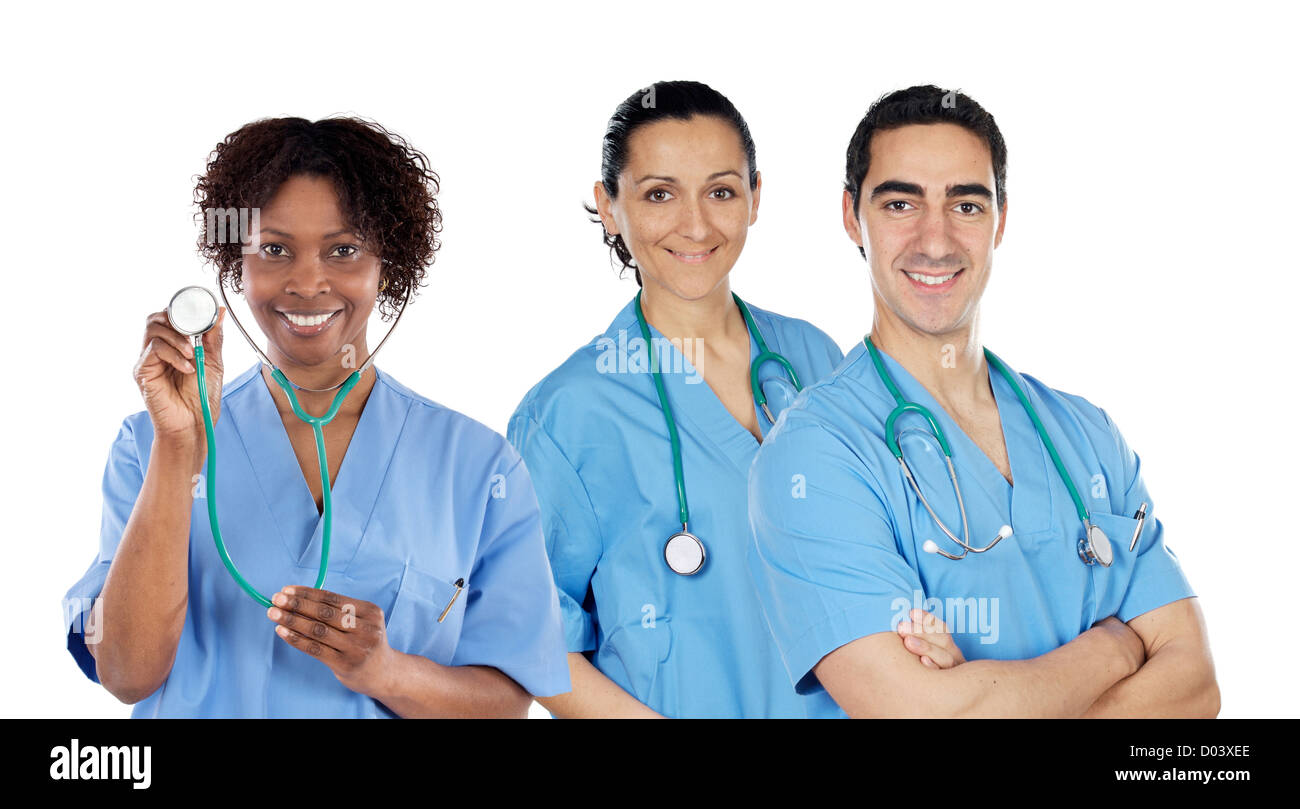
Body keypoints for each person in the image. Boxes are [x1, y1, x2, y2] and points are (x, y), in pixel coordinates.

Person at [63, 116, 569, 717]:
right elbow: (126, 674)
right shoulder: (148, 442)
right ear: (236, 263)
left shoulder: (478, 466)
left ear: (390, 263)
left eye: (344, 250)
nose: (307, 282)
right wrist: (179, 449)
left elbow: (506, 705)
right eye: (274, 249)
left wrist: (387, 672)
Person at [747, 86, 1219, 718]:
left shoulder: (1086, 433)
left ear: (1001, 219)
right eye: (900, 203)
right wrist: (1115, 645)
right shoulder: (812, 457)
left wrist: (989, 697)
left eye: (965, 204)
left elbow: (1195, 687)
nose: (935, 240)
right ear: (850, 216)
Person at [508, 81, 844, 718]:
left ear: (755, 198)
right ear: (610, 206)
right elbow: (536, 637)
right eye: (659, 194)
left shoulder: (816, 359)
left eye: (721, 191)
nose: (696, 225)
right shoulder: (568, 410)